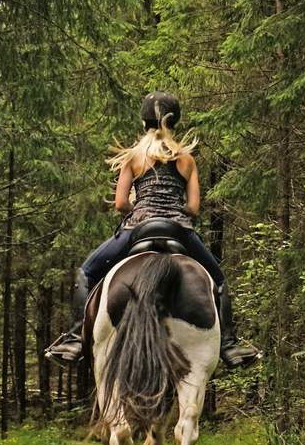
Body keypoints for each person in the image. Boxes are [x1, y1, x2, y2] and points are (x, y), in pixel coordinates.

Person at [44, 91, 259, 369]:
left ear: (144, 122)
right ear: (176, 121)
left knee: (86, 273)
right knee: (218, 280)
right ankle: (229, 344)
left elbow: (121, 203)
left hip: (139, 228)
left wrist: (138, 205)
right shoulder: (186, 159)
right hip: (178, 230)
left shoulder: (134, 156)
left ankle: (74, 340)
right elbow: (193, 207)